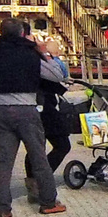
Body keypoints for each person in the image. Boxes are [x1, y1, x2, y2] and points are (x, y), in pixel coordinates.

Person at [0, 19, 65, 217]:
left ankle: (3, 207)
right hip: (26, 110)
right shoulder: (30, 54)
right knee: (39, 157)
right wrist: (43, 52)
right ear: (21, 34)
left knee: (3, 162)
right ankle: (48, 202)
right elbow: (56, 75)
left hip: (0, 110)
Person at [35, 35, 74, 178]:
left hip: (38, 104)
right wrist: (45, 54)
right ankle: (42, 179)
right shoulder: (38, 58)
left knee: (37, 149)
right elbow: (57, 75)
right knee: (61, 145)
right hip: (44, 105)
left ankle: (36, 181)